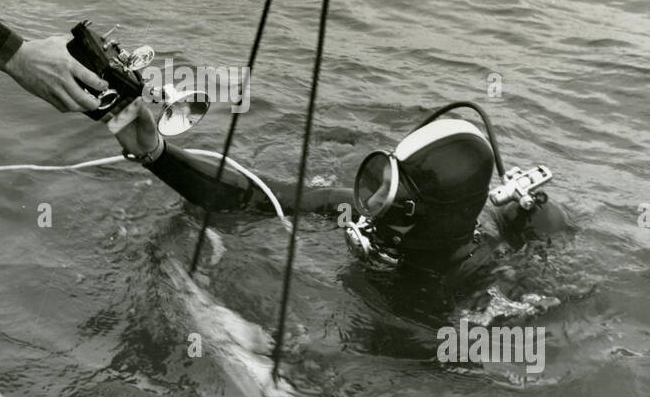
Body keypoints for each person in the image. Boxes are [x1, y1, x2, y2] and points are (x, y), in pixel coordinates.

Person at [107, 96, 571, 289]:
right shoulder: (361, 216)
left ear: (423, 210)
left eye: (391, 195)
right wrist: (156, 153)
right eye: (381, 178)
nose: (372, 202)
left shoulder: (487, 282)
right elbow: (252, 197)